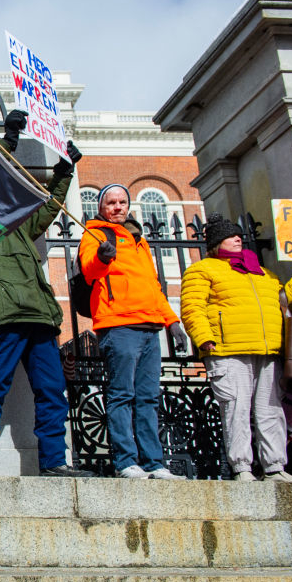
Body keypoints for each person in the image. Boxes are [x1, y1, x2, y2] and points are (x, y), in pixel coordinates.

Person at [0, 111, 94, 478]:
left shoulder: (20, 226)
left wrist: (65, 172)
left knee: (52, 393)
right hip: (6, 318)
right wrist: (10, 139)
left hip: (40, 316)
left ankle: (54, 460)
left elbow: (51, 207)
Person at [79, 184, 188, 479]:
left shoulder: (139, 240)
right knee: (122, 395)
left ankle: (154, 462)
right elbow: (89, 271)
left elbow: (153, 285)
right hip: (118, 322)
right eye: (111, 202)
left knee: (148, 397)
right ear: (101, 208)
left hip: (150, 325)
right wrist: (102, 257)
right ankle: (126, 461)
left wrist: (172, 321)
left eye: (122, 202)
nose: (117, 207)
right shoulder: (96, 233)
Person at [180, 213, 292, 481]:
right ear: (215, 243)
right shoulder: (202, 270)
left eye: (237, 235)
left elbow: (285, 300)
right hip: (228, 349)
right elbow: (192, 308)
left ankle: (275, 466)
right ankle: (242, 466)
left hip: (267, 349)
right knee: (236, 409)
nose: (237, 238)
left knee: (271, 410)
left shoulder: (262, 272)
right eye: (228, 236)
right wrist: (203, 337)